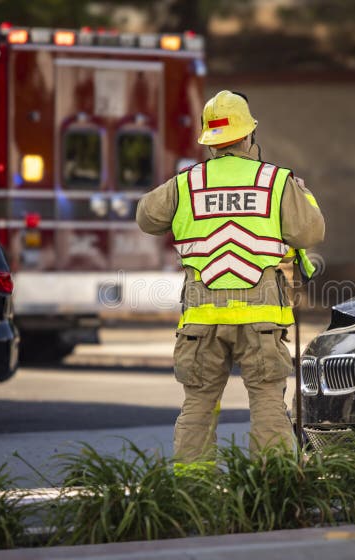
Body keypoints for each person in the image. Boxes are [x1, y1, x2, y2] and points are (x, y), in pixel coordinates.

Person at [136, 90, 325, 464]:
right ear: (248, 135)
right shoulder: (276, 181)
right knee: (268, 401)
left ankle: (194, 492)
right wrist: (303, 196)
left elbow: (146, 217)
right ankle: (272, 488)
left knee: (199, 404)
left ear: (211, 141)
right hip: (260, 317)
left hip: (202, 317)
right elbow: (310, 234)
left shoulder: (186, 183)